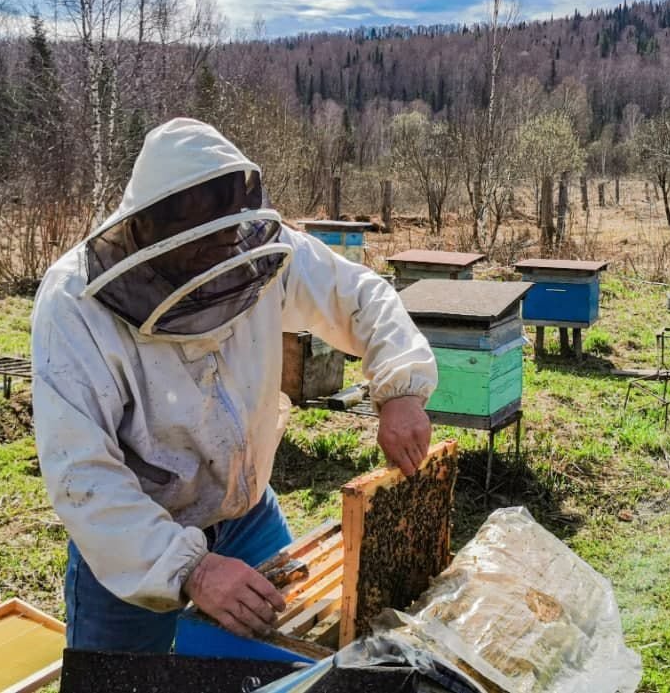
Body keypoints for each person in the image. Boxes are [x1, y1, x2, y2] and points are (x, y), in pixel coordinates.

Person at [31, 118, 437, 653]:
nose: (217, 261)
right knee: (122, 681)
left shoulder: (258, 252)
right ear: (150, 230)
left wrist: (400, 386)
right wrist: (191, 569)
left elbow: (359, 293)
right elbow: (82, 473)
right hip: (134, 537)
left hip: (247, 515)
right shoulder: (74, 305)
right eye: (199, 247)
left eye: (224, 240)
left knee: (287, 662)